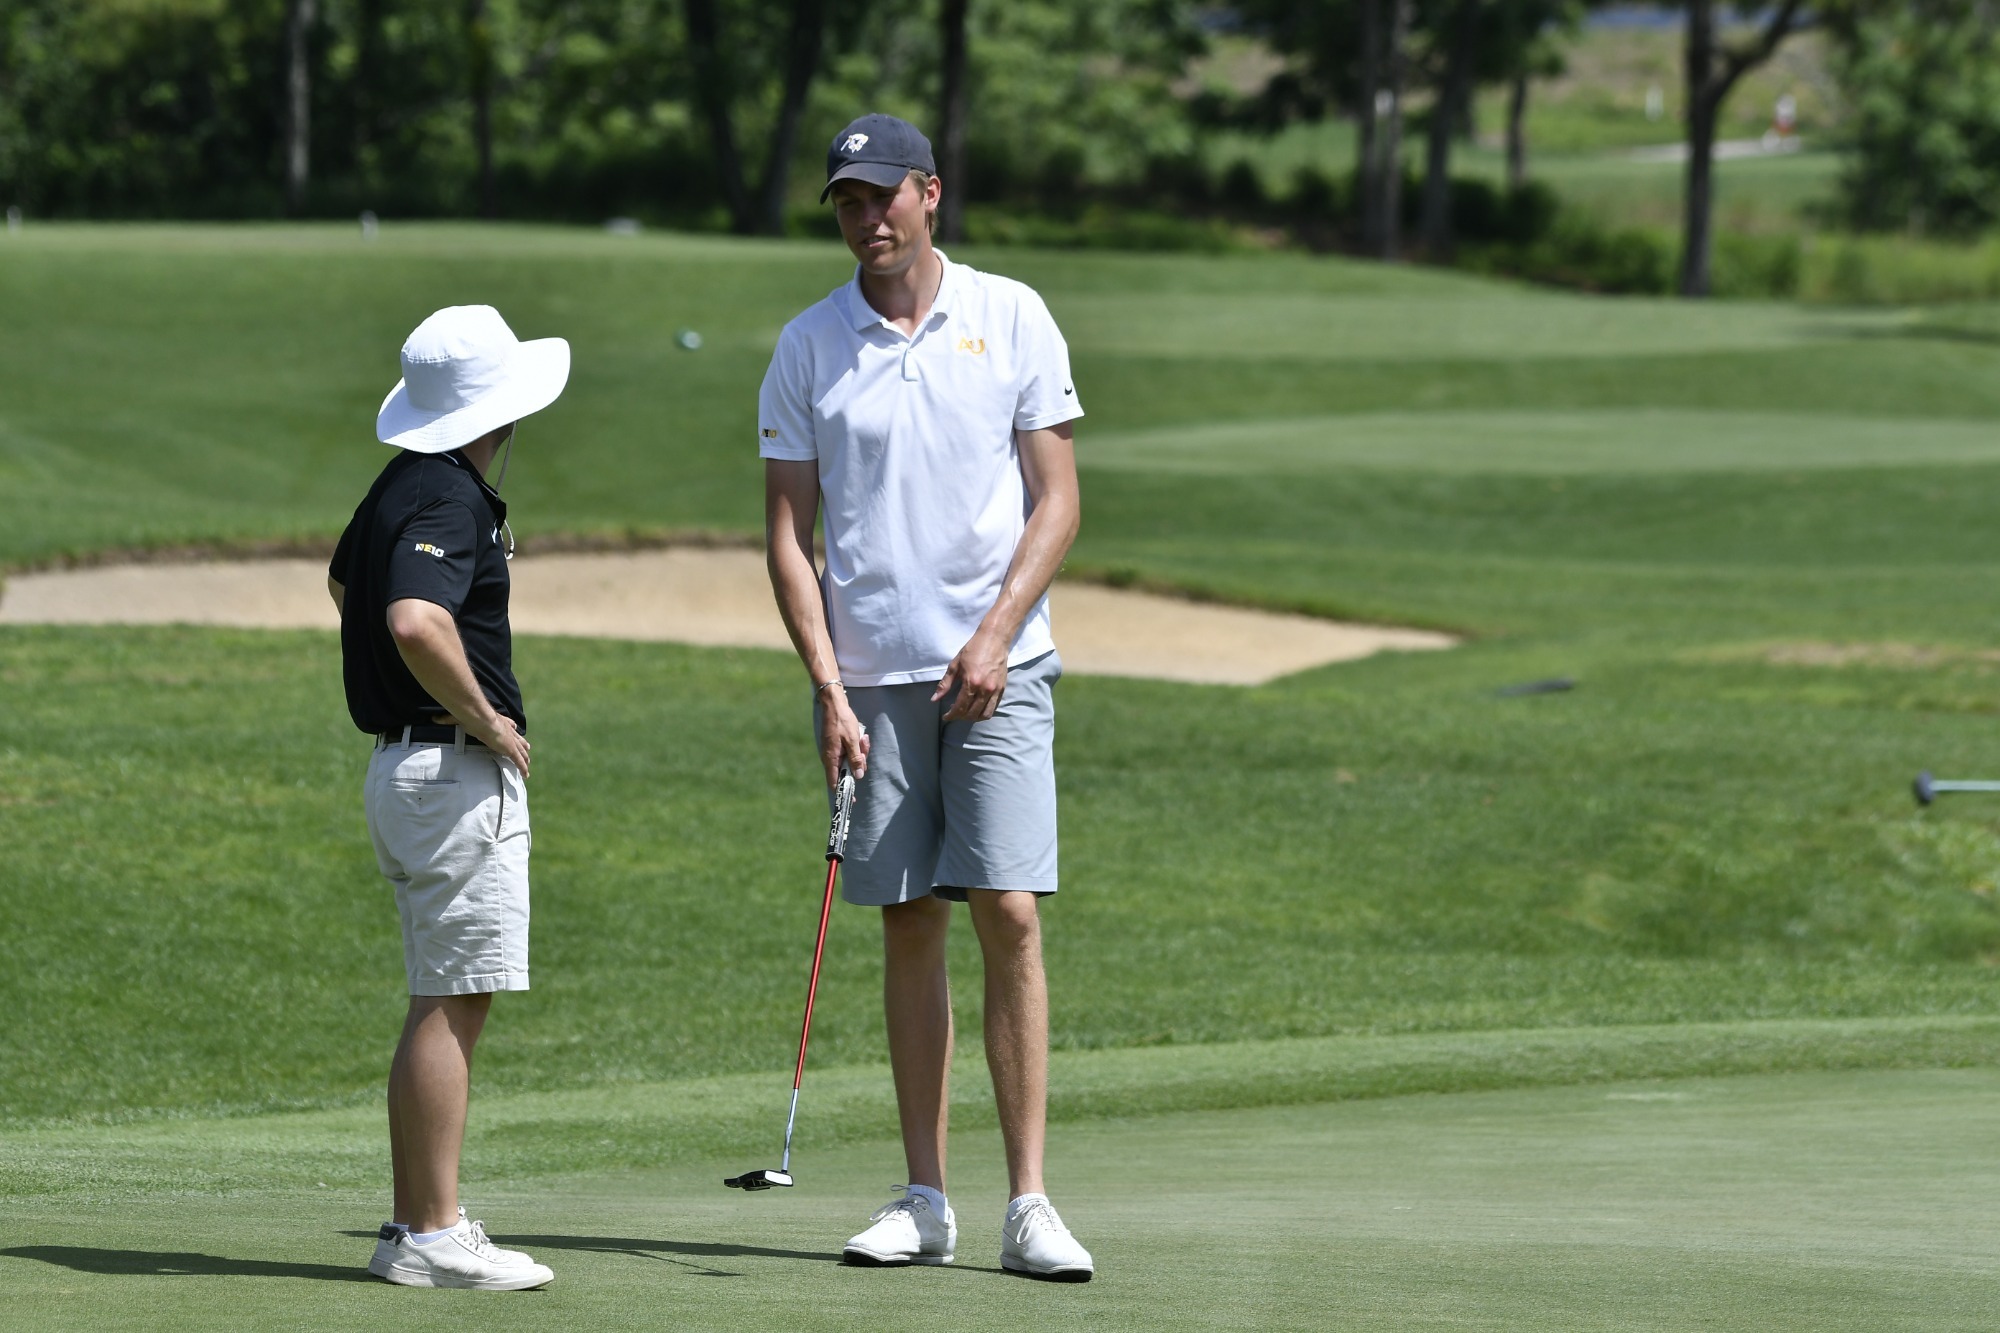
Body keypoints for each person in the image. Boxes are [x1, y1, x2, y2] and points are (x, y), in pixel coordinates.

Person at [760, 113, 1094, 1281]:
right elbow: (786, 534)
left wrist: (996, 635)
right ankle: (924, 1196)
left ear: (930, 193)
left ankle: (1029, 1203)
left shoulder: (1011, 314)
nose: (866, 219)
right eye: (847, 203)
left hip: (1000, 670)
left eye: (882, 196)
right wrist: (827, 686)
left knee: (1008, 908)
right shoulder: (808, 344)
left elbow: (1057, 501)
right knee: (908, 921)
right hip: (868, 680)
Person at [328, 304, 569, 1290]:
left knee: (440, 994)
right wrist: (484, 717)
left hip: (403, 770)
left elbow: (345, 584)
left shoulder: (400, 484)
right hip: (448, 772)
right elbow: (413, 618)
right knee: (452, 999)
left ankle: (410, 1225)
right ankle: (433, 1231)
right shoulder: (450, 497)